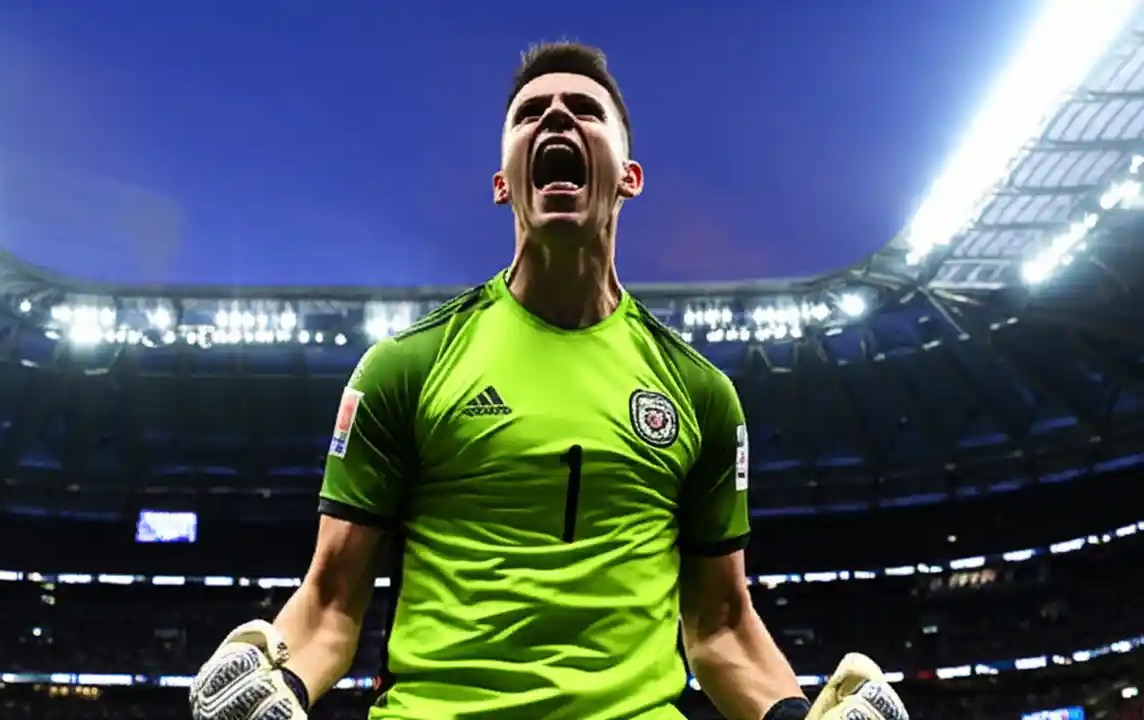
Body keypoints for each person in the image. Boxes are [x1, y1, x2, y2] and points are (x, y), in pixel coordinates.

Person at [189, 42, 909, 720]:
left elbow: (721, 625)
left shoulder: (701, 395)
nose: (557, 116)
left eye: (585, 110)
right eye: (530, 112)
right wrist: (276, 686)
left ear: (629, 177)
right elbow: (329, 601)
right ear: (503, 184)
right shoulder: (406, 366)